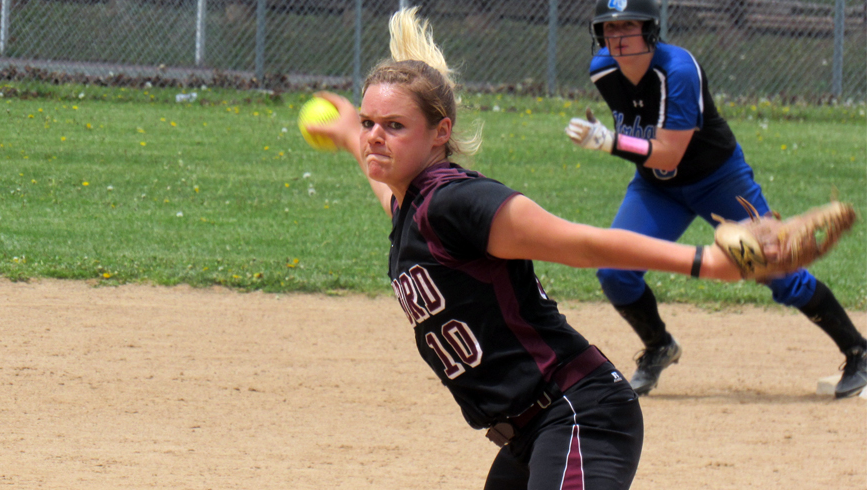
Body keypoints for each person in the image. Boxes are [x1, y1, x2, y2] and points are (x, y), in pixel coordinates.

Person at [308, 7, 757, 489]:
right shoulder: (416, 205)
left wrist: (705, 262)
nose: (376, 136)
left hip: (579, 414)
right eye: (371, 122)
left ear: (441, 133)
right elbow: (389, 195)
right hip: (532, 432)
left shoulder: (461, 203)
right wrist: (350, 132)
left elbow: (584, 244)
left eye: (394, 126)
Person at [565, 0, 867, 398]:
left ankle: (858, 352)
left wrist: (609, 141)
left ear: (650, 30)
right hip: (657, 188)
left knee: (775, 267)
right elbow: (650, 141)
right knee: (614, 268)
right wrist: (617, 139)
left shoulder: (678, 70)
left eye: (628, 27)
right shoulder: (602, 69)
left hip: (719, 181)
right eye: (609, 29)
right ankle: (659, 347)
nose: (617, 38)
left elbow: (670, 151)